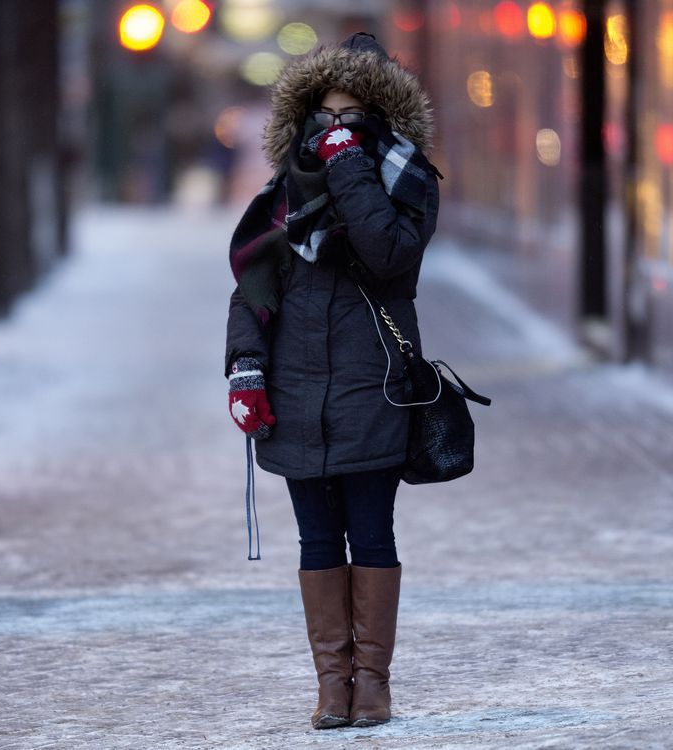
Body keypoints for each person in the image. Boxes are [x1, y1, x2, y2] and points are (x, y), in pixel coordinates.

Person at [224, 32, 440, 729]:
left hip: (373, 388)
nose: (335, 132)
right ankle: (332, 687)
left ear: (381, 118)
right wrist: (245, 370)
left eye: (352, 119)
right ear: (304, 118)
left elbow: (385, 256)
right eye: (325, 119)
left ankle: (371, 684)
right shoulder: (287, 193)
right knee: (317, 543)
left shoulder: (410, 184)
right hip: (294, 394)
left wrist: (349, 165)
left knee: (371, 535)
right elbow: (250, 292)